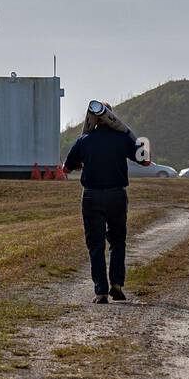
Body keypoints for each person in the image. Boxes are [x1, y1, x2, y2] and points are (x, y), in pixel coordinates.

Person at [64, 101, 150, 303]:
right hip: (117, 195)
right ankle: (117, 285)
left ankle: (100, 291)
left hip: (92, 196)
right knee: (118, 241)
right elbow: (145, 160)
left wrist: (81, 164)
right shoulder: (122, 138)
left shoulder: (83, 140)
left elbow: (66, 169)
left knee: (95, 245)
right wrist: (134, 138)